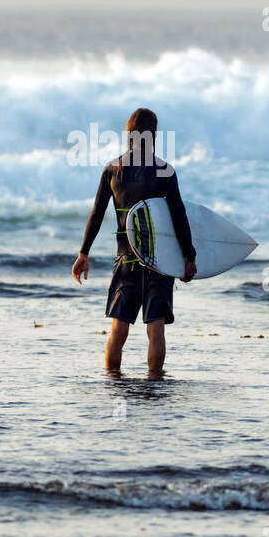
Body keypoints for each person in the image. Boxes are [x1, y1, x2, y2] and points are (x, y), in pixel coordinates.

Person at [72, 108, 196, 375]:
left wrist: (83, 253)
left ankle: (113, 383)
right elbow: (178, 216)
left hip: (125, 260)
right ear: (154, 136)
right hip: (158, 262)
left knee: (119, 329)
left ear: (128, 134)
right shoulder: (165, 172)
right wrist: (189, 257)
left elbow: (96, 214)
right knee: (156, 329)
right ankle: (154, 383)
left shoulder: (112, 170)